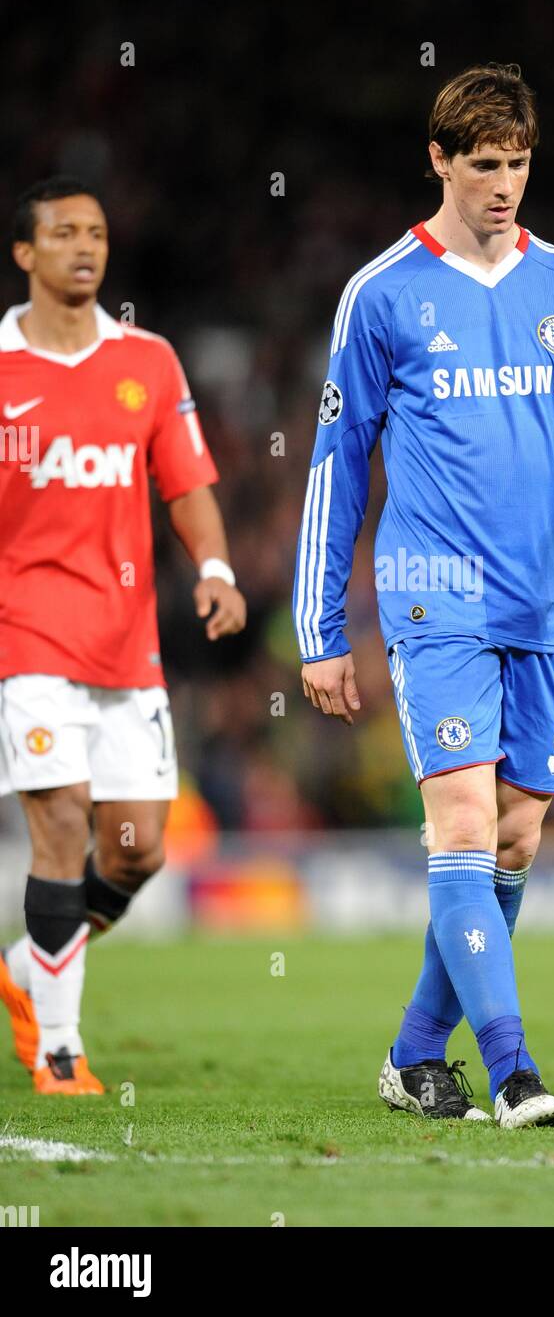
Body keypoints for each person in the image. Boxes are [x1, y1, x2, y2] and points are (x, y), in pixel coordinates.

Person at [293, 63, 554, 1127]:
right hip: (433, 597)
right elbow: (336, 463)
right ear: (438, 160)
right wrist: (321, 626)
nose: (503, 184)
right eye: (483, 164)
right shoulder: (383, 293)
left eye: (518, 164)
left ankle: (410, 1055)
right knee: (464, 823)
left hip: (540, 604)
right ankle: (514, 1067)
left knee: (517, 838)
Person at [0, 175, 246, 1094]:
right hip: (23, 637)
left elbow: (186, 486)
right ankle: (59, 1050)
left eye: (96, 232)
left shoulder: (147, 360)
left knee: (138, 849)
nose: (85, 247)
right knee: (60, 824)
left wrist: (215, 571)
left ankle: (29, 967)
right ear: (25, 254)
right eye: (63, 233)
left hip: (125, 645)